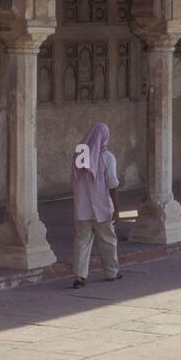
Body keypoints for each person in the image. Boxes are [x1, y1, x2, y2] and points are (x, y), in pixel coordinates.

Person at [71, 122, 122, 288]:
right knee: (108, 240)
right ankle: (111, 272)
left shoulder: (79, 156)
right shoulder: (108, 158)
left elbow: (74, 179)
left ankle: (79, 276)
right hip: (102, 208)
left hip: (82, 207)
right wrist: (116, 209)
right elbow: (112, 185)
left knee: (82, 241)